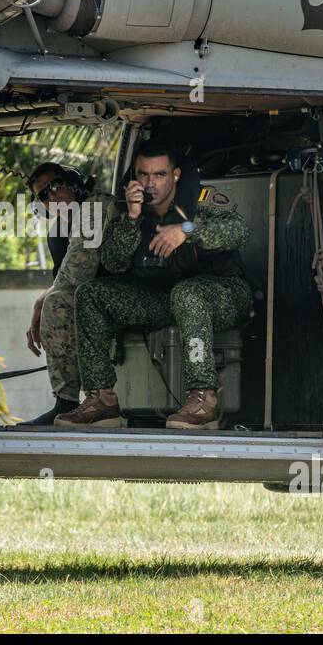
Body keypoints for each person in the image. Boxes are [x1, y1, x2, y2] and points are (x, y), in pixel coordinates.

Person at [54, 139, 252, 430]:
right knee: (92, 294)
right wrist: (132, 219)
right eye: (143, 175)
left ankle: (203, 400)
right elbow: (113, 263)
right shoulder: (129, 214)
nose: (150, 183)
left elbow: (239, 230)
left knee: (188, 293)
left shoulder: (196, 203)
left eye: (159, 174)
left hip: (223, 294)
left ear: (175, 175)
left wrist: (187, 231)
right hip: (164, 298)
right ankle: (102, 401)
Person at [21, 162, 116, 426]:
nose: (52, 196)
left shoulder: (95, 208)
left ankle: (71, 402)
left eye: (56, 186)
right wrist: (42, 301)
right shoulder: (60, 231)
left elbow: (76, 274)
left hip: (129, 290)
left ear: (73, 182)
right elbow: (65, 280)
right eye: (43, 195)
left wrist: (42, 301)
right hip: (97, 298)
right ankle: (70, 402)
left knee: (56, 303)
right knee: (56, 301)